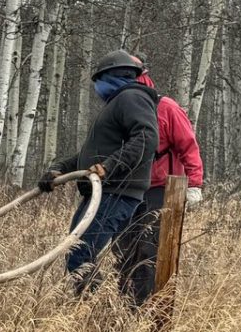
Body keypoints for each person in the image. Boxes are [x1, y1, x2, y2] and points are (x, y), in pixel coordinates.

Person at [39, 49, 159, 296]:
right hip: (107, 191)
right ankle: (119, 312)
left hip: (116, 192)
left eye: (100, 81)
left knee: (80, 254)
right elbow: (89, 157)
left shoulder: (131, 97)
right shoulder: (116, 104)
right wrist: (59, 169)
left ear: (112, 76)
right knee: (120, 257)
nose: (98, 87)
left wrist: (110, 166)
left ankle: (90, 315)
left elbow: (147, 138)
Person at [117, 57, 206, 305]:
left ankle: (151, 306)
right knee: (124, 249)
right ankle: (126, 306)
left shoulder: (166, 108)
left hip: (161, 190)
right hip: (127, 190)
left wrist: (195, 183)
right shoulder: (119, 107)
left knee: (151, 249)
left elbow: (188, 145)